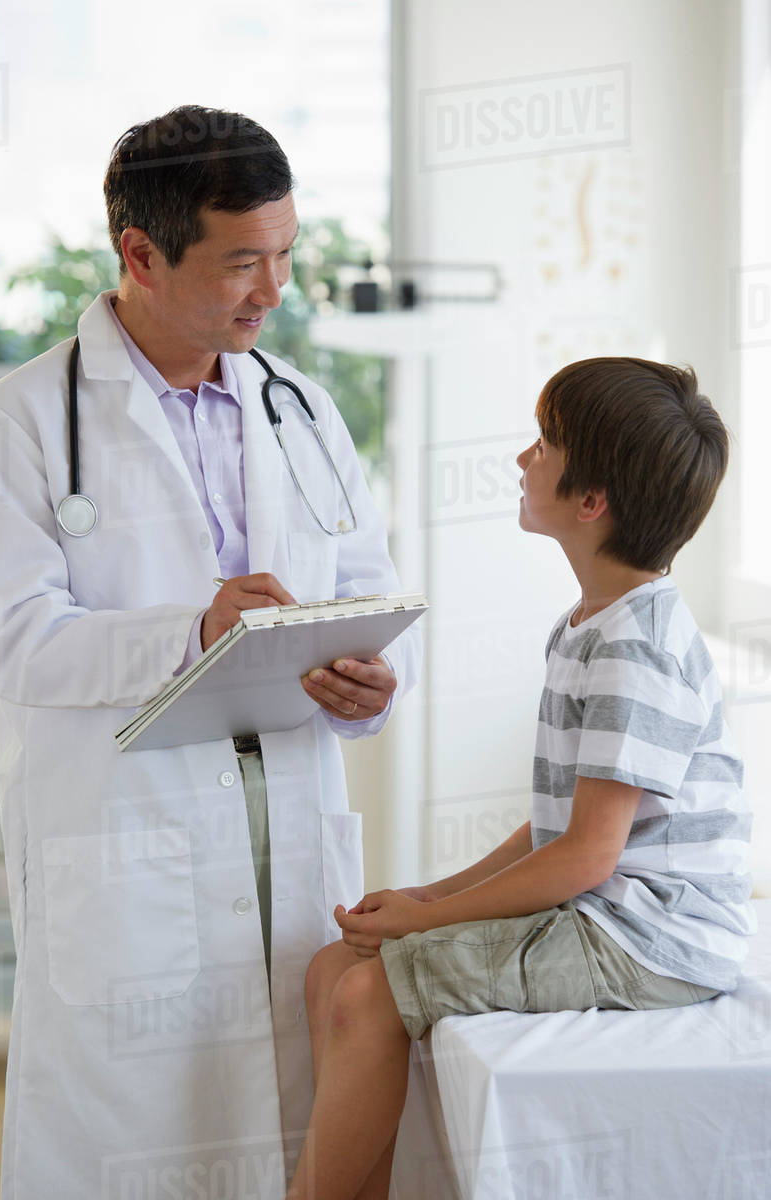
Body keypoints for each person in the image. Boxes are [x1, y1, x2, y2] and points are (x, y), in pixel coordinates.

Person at [0, 105, 421, 1200]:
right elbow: (11, 641)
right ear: (141, 255)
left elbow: (359, 589)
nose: (276, 288)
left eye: (287, 254)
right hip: (125, 848)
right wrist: (193, 633)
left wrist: (368, 683)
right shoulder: (17, 425)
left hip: (284, 830)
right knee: (133, 1139)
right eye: (243, 261)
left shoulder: (300, 408)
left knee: (291, 1119)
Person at [289, 357, 756, 1200]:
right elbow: (556, 833)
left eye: (545, 444)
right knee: (331, 971)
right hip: (609, 911)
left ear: (592, 501)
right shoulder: (588, 626)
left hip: (651, 941)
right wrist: (428, 897)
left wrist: (424, 920)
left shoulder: (631, 648)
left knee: (367, 993)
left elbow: (584, 861)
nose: (521, 459)